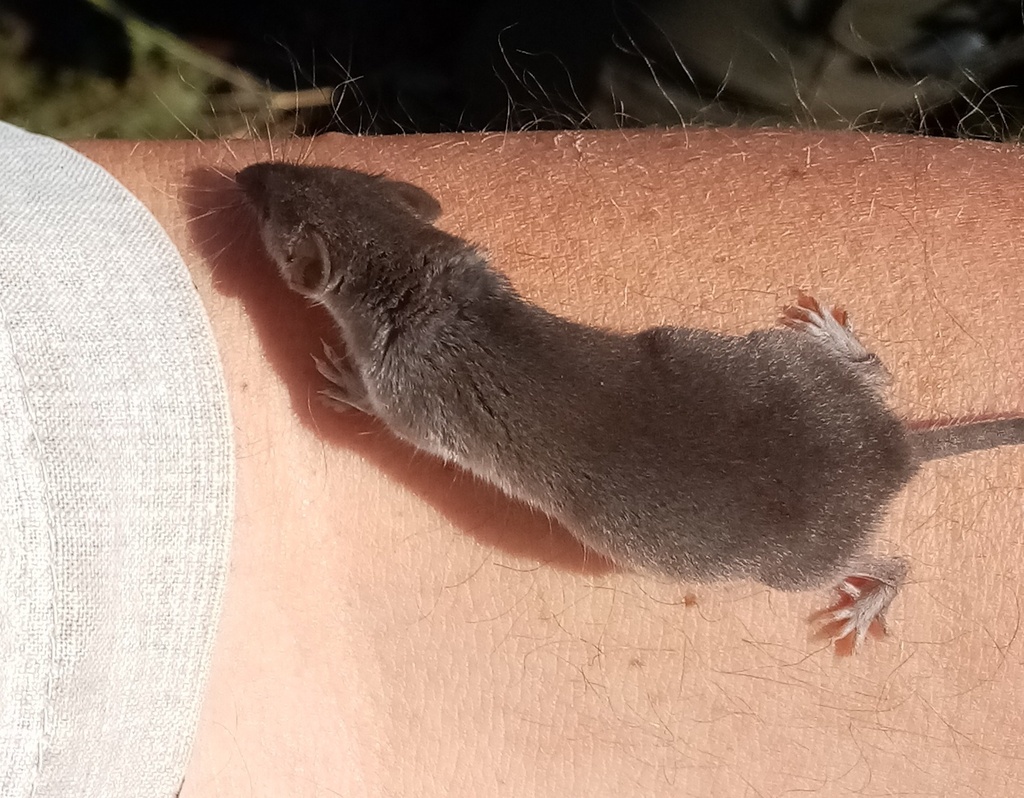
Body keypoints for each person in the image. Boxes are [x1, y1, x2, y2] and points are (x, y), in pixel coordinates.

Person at [8, 123, 1024, 796]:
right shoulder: (444, 305)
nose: (254, 189)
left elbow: (423, 420)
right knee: (774, 423)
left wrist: (365, 396)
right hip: (771, 438)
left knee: (789, 527)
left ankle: (886, 567)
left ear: (309, 274)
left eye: (276, 224)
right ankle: (855, 382)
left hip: (745, 495)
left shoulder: (406, 383)